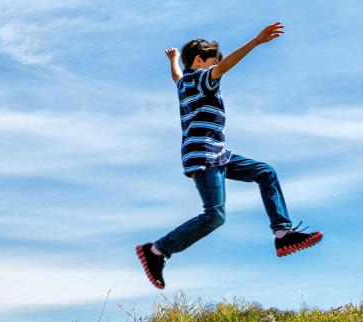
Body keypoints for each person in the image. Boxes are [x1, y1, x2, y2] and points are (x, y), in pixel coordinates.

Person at [136, 22, 323, 290]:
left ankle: (282, 233)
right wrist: (256, 42)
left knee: (265, 171)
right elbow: (223, 67)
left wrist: (174, 59)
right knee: (214, 216)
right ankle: (156, 251)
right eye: (212, 63)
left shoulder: (184, 83)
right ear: (200, 61)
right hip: (205, 155)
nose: (216, 70)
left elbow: (176, 76)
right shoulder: (202, 79)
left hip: (217, 153)